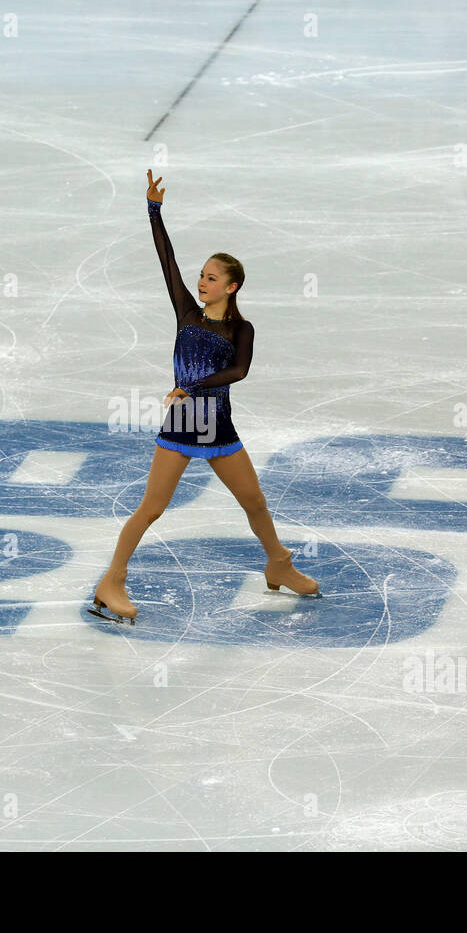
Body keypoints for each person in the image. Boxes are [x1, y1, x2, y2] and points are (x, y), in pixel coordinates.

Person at [90, 169, 320, 624]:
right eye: (202, 276)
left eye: (212, 278)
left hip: (217, 426)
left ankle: (278, 562)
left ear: (231, 286)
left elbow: (240, 370)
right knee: (152, 508)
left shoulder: (241, 329)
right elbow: (166, 260)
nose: (202, 282)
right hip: (183, 424)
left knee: (254, 501)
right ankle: (111, 580)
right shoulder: (187, 314)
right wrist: (154, 210)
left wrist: (193, 385)